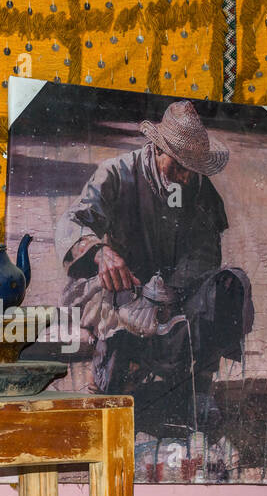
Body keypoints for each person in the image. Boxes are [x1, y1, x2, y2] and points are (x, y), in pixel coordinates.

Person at [53, 99, 254, 436]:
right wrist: (101, 251)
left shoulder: (197, 186)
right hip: (124, 289)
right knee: (109, 305)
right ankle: (112, 375)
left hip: (176, 294)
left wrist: (172, 290)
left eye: (193, 168)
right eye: (178, 166)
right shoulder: (117, 172)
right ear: (157, 149)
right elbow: (73, 221)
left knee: (230, 285)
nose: (185, 176)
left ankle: (199, 388)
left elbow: (206, 251)